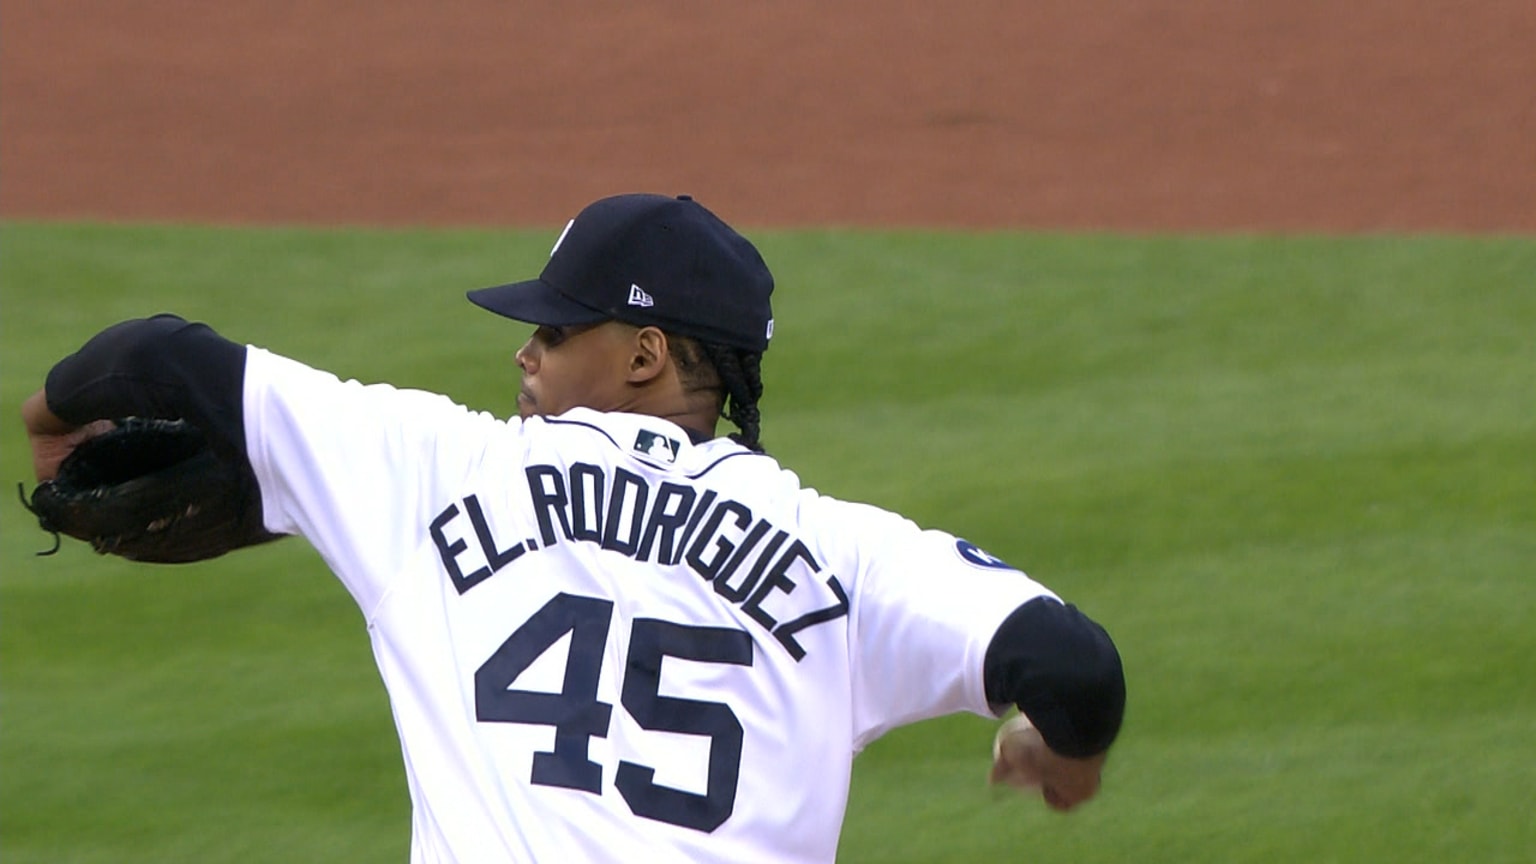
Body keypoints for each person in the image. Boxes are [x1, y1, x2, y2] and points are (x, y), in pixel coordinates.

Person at [22, 193, 1125, 863]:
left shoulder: (445, 471)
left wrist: (49, 421)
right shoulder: (844, 557)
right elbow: (1073, 663)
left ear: (643, 354)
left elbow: (150, 360)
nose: (526, 352)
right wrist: (1059, 755)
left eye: (553, 328)